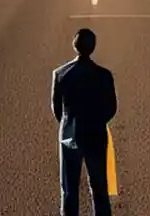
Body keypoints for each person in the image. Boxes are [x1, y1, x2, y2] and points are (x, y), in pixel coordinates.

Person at [51, 28, 117, 216]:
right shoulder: (104, 75)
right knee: (99, 188)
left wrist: (68, 123)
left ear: (74, 45)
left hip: (69, 136)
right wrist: (97, 122)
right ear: (93, 46)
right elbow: (111, 107)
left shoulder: (60, 74)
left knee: (69, 189)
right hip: (95, 135)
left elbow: (56, 108)